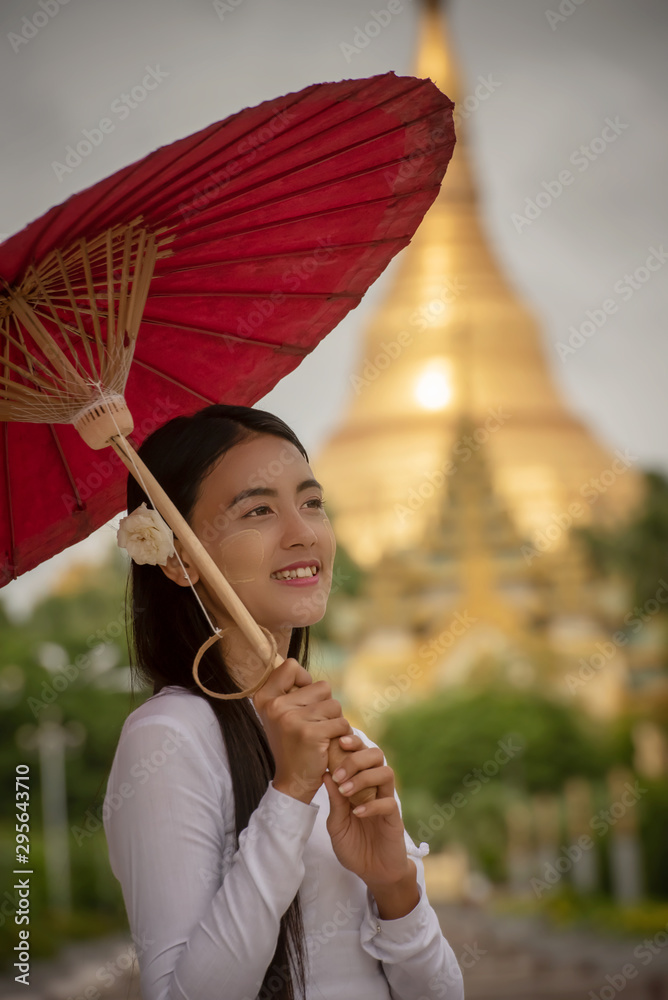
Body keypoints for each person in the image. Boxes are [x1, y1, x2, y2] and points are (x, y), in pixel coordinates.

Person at [103, 403, 465, 1000]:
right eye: (258, 510)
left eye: (312, 502)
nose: (303, 533)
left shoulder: (345, 739)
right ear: (178, 558)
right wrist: (290, 797)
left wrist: (394, 883)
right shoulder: (168, 737)